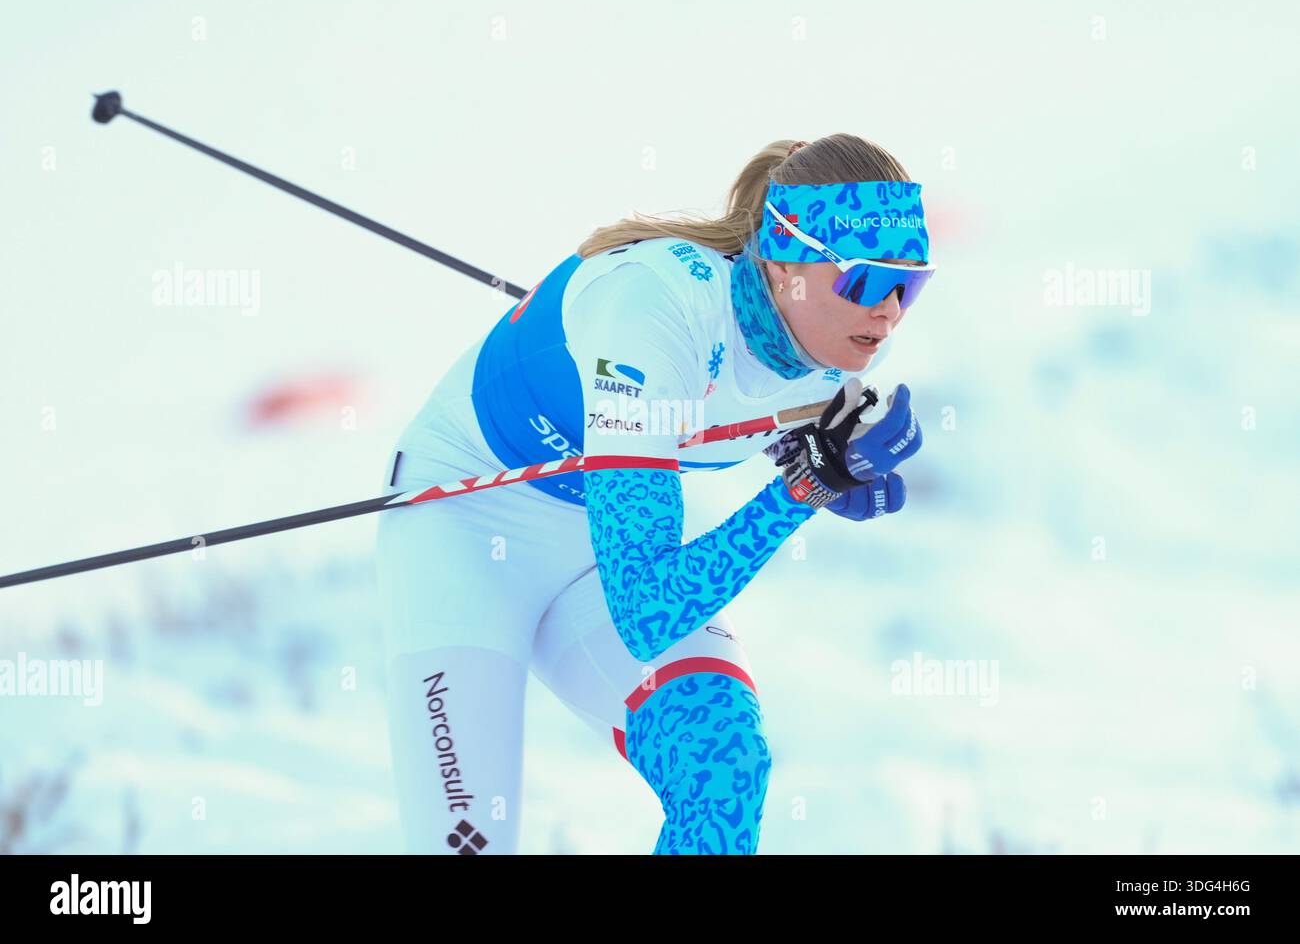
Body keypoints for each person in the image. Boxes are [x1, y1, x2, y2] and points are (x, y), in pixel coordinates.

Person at [374, 133, 933, 855]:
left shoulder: (828, 352)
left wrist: (819, 464)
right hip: (463, 536)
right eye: (863, 279)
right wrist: (803, 487)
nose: (887, 311)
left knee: (721, 769)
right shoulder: (653, 309)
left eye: (908, 284)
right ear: (784, 259)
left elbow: (749, 406)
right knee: (469, 844)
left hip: (593, 557)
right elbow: (646, 611)